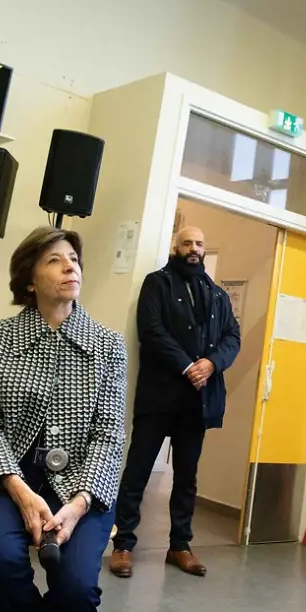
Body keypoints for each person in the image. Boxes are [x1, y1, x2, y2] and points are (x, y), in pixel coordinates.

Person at [0, 226, 128, 612]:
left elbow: (109, 437)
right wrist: (20, 491)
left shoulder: (109, 344)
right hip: (0, 477)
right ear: (30, 282)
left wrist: (80, 504)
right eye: (55, 260)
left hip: (84, 484)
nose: (71, 266)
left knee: (76, 591)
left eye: (74, 259)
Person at [108, 226, 241, 578]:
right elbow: (151, 331)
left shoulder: (217, 295)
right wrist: (187, 366)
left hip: (197, 404)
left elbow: (232, 337)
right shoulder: (157, 283)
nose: (193, 248)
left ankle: (180, 546)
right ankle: (122, 545)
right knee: (137, 472)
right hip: (158, 397)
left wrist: (211, 364)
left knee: (186, 478)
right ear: (175, 247)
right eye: (187, 243)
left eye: (199, 243)